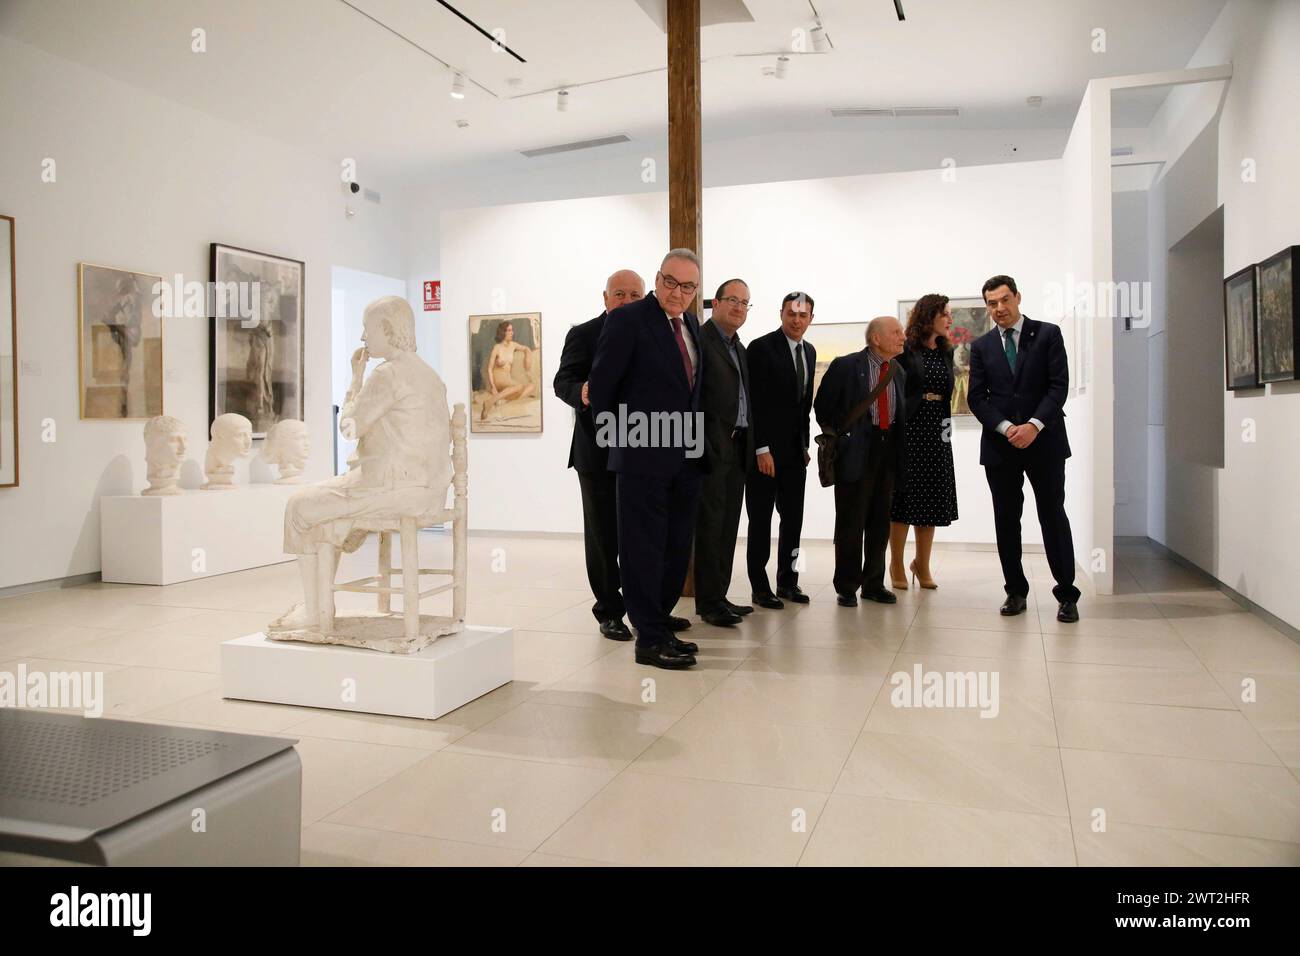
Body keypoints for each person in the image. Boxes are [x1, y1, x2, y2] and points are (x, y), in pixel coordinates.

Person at [280, 295, 452, 627]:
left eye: (366, 329)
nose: (362, 338)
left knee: (299, 506)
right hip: (429, 491)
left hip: (393, 489)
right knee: (326, 513)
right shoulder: (429, 374)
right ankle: (318, 606)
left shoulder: (387, 374)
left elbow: (349, 427)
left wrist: (355, 379)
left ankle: (315, 611)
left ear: (387, 330)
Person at [589, 249, 706, 669]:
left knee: (675, 548)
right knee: (642, 549)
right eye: (670, 282)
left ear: (695, 292)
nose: (677, 292)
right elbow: (602, 389)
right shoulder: (627, 320)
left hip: (686, 456)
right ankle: (649, 641)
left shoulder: (691, 323)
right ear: (658, 279)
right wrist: (624, 441)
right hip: (641, 456)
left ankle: (659, 625)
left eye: (687, 286)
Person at [968, 274, 1080, 623]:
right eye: (992, 303)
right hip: (1001, 447)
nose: (999, 308)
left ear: (1017, 297)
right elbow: (976, 397)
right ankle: (1015, 591)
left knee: (1052, 515)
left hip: (1044, 442)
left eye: (1004, 300)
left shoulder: (1047, 334)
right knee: (1006, 519)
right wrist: (1006, 428)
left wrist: (1033, 425)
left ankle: (1066, 595)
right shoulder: (982, 346)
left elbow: (1058, 386)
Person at [553, 269, 645, 641]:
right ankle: (608, 611)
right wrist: (584, 392)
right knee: (604, 537)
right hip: (597, 453)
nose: (626, 301)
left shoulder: (653, 333)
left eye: (634, 295)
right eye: (619, 294)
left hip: (644, 449)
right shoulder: (584, 334)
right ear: (604, 298)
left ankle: (644, 610)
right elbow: (563, 381)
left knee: (641, 535)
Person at [815, 316, 908, 606]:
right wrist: (842, 436)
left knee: (880, 522)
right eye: (895, 332)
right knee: (850, 522)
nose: (902, 336)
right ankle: (846, 586)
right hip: (854, 452)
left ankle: (873, 584)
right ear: (876, 338)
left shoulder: (898, 371)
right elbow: (823, 406)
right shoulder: (846, 366)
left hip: (887, 451)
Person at [745, 292, 816, 608]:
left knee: (794, 521)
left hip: (794, 454)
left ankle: (789, 582)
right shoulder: (761, 348)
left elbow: (803, 407)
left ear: (810, 318)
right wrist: (761, 447)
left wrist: (804, 444)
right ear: (781, 314)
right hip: (765, 453)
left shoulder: (809, 351)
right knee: (760, 520)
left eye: (803, 316)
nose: (797, 320)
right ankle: (760, 588)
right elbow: (754, 403)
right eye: (791, 314)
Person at [693, 279, 755, 627]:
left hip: (737, 447)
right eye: (732, 300)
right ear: (714, 303)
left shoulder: (738, 347)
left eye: (745, 302)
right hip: (712, 447)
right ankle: (708, 601)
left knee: (729, 524)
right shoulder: (701, 342)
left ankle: (720, 596)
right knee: (710, 526)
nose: (738, 307)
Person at [889, 294, 958, 590]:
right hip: (910, 429)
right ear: (929, 316)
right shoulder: (905, 349)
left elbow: (945, 395)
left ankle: (922, 564)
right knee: (903, 499)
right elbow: (894, 389)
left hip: (937, 430)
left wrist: (945, 434)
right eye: (945, 314)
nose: (949, 320)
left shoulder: (946, 351)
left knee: (931, 499)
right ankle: (896, 564)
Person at [480, 320, 537, 421]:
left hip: (508, 381)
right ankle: (491, 401)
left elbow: (525, 348)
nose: (512, 333)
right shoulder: (497, 347)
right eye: (509, 330)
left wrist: (528, 356)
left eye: (512, 330)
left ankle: (502, 401)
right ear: (503, 332)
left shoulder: (513, 345)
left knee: (531, 386)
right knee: (520, 386)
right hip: (498, 379)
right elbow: (489, 368)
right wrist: (493, 386)